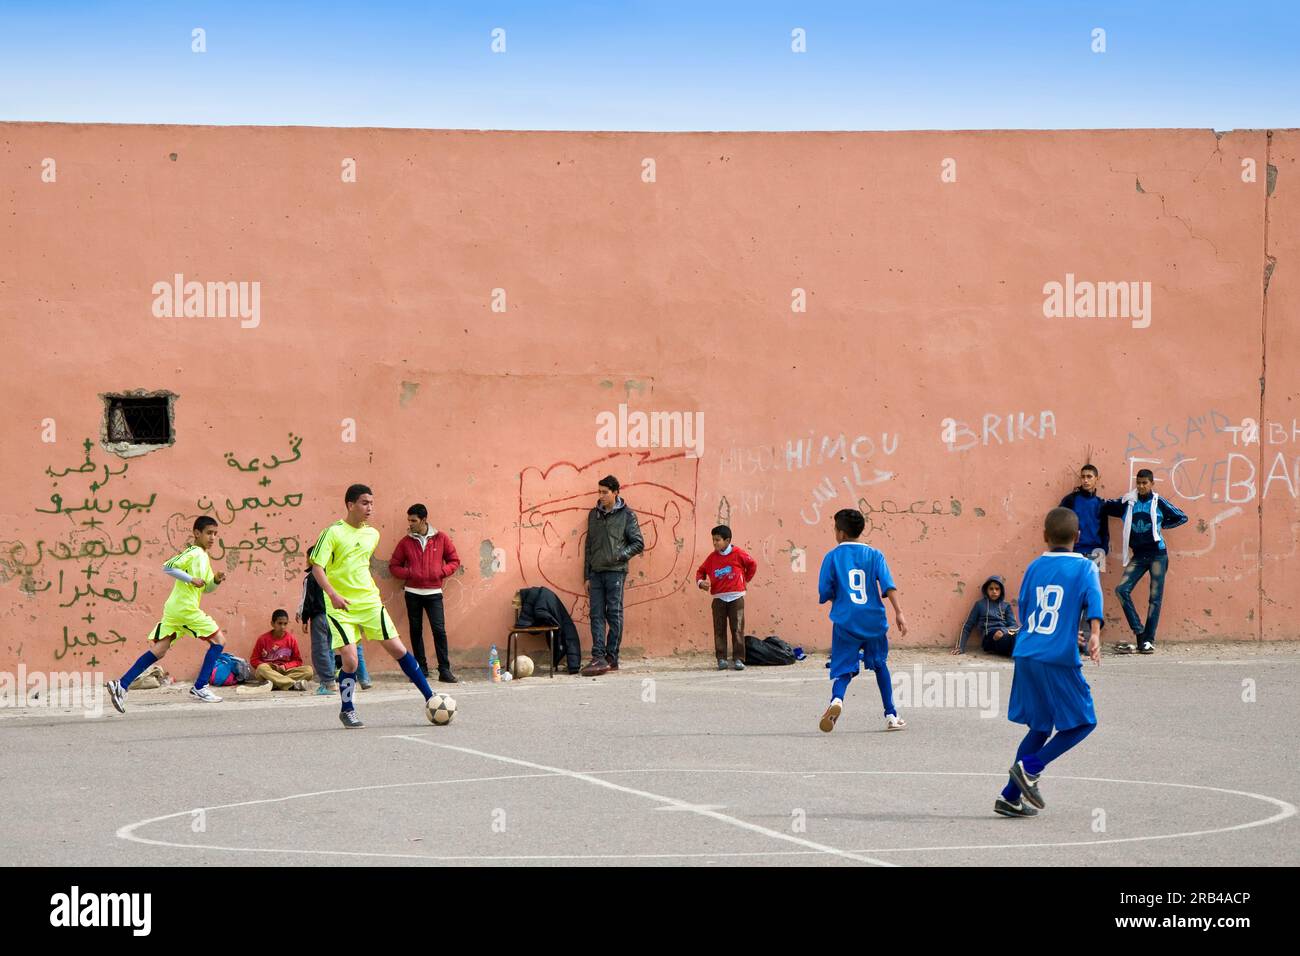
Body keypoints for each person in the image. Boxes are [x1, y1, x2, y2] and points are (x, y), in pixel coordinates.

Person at [994, 507, 1103, 818]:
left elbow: (1026, 609)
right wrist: (1093, 634)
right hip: (1056, 656)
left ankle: (1010, 797)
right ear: (1078, 537)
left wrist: (1059, 631)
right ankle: (1031, 768)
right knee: (1084, 722)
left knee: (1041, 726)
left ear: (1044, 536)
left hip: (1027, 652)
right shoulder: (1085, 567)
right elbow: (1093, 601)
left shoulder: (1034, 567)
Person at [309, 484, 435, 728]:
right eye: (365, 503)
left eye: (372, 503)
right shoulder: (332, 533)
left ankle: (431, 697)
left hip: (369, 602)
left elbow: (358, 566)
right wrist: (333, 594)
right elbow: (317, 568)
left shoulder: (372, 535)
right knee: (351, 661)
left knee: (398, 649)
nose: (370, 508)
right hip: (340, 605)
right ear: (350, 505)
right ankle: (347, 710)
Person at [105, 516, 230, 712]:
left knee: (160, 650)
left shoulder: (204, 557)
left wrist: (216, 580)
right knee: (219, 641)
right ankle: (200, 686)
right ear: (196, 533)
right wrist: (190, 578)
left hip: (175, 610)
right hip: (185, 609)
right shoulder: (194, 552)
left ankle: (121, 685)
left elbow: (206, 588)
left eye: (215, 534)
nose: (213, 537)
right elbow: (168, 567)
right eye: (208, 533)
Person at [816, 508, 909, 733]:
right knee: (880, 665)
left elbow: (824, 590)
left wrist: (836, 598)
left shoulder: (832, 556)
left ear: (840, 533)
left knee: (843, 668)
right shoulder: (875, 555)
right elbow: (888, 585)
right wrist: (899, 612)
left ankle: (837, 700)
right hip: (873, 621)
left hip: (846, 621)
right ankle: (891, 715)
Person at [1102, 468, 1189, 655]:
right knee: (1121, 590)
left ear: (1151, 484)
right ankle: (1139, 632)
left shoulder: (1158, 502)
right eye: (1138, 483)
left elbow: (1182, 516)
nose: (1141, 486)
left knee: (1154, 599)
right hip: (1139, 556)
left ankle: (1148, 641)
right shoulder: (1128, 503)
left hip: (1158, 554)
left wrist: (1160, 526)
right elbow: (1105, 505)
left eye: (1145, 483)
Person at [388, 503, 461, 683]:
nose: (410, 523)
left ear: (424, 520)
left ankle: (444, 670)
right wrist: (410, 573)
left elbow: (454, 560)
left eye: (413, 520)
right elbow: (394, 566)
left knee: (439, 631)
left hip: (434, 592)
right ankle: (421, 669)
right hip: (412, 593)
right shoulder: (405, 542)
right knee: (415, 630)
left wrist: (441, 572)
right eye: (409, 520)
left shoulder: (441, 538)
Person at [580, 475, 644, 676]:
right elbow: (589, 546)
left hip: (616, 572)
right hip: (596, 572)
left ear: (616, 492)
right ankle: (598, 656)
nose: (601, 496)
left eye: (605, 492)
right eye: (599, 492)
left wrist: (619, 556)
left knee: (614, 614)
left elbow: (638, 543)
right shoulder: (594, 515)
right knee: (596, 614)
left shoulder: (627, 515)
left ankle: (611, 657)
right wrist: (587, 576)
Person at [297, 563, 371, 695]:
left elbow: (307, 600)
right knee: (349, 646)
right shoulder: (338, 573)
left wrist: (304, 618)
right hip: (340, 615)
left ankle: (328, 683)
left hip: (320, 616)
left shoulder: (311, 577)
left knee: (321, 650)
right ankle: (364, 679)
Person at [695, 524, 758, 671]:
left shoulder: (738, 553)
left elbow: (752, 564)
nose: (715, 543)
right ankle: (721, 659)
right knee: (719, 630)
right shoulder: (711, 558)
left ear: (727, 540)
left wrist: (744, 580)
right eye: (713, 540)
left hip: (736, 598)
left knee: (737, 629)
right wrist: (700, 582)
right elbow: (700, 571)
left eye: (718, 540)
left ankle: (738, 659)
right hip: (719, 599)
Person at [951, 575, 1019, 656]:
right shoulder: (980, 605)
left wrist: (1003, 631)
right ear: (986, 590)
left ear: (1001, 591)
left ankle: (1019, 654)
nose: (994, 591)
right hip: (989, 638)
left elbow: (1014, 626)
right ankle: (1018, 654)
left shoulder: (1006, 606)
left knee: (1020, 635)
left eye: (997, 589)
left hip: (1004, 634)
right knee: (1011, 640)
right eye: (991, 589)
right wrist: (960, 647)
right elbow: (967, 626)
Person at [250, 609, 314, 690]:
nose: (282, 627)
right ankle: (293, 684)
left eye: (285, 624)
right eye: (279, 623)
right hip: (269, 671)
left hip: (285, 671)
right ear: (272, 624)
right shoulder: (263, 639)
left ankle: (275, 683)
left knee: (309, 671)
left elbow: (298, 661)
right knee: (261, 668)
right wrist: (269, 665)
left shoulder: (291, 639)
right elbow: (254, 660)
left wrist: (285, 666)